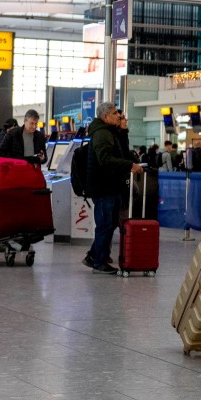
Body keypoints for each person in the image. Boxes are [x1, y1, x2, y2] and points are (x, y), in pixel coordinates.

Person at [86, 102, 143, 275]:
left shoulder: (110, 132)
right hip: (104, 187)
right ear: (105, 117)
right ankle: (100, 262)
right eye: (114, 113)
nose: (118, 116)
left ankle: (94, 256)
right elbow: (105, 160)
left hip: (111, 186)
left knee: (110, 224)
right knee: (105, 224)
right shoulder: (102, 134)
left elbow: (124, 154)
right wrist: (129, 165)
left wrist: (123, 131)